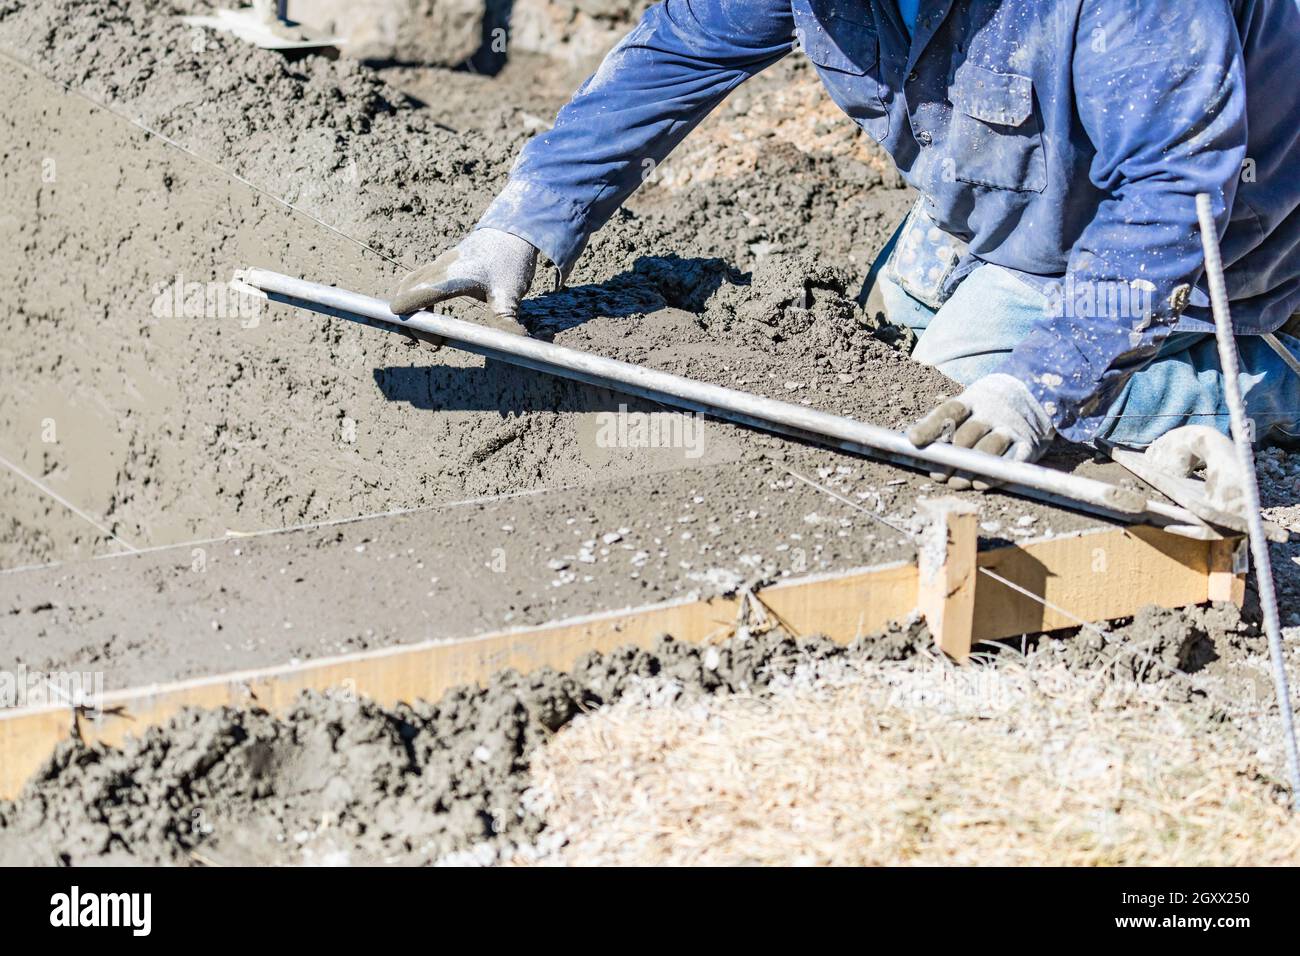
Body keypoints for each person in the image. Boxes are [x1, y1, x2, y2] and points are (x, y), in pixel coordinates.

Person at [392, 0, 1300, 486]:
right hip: (1027, 181)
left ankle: (1261, 377)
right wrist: (520, 225)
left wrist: (1044, 380)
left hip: (1238, 219)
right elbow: (675, 50)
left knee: (954, 382)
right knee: (886, 319)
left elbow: (1176, 191)